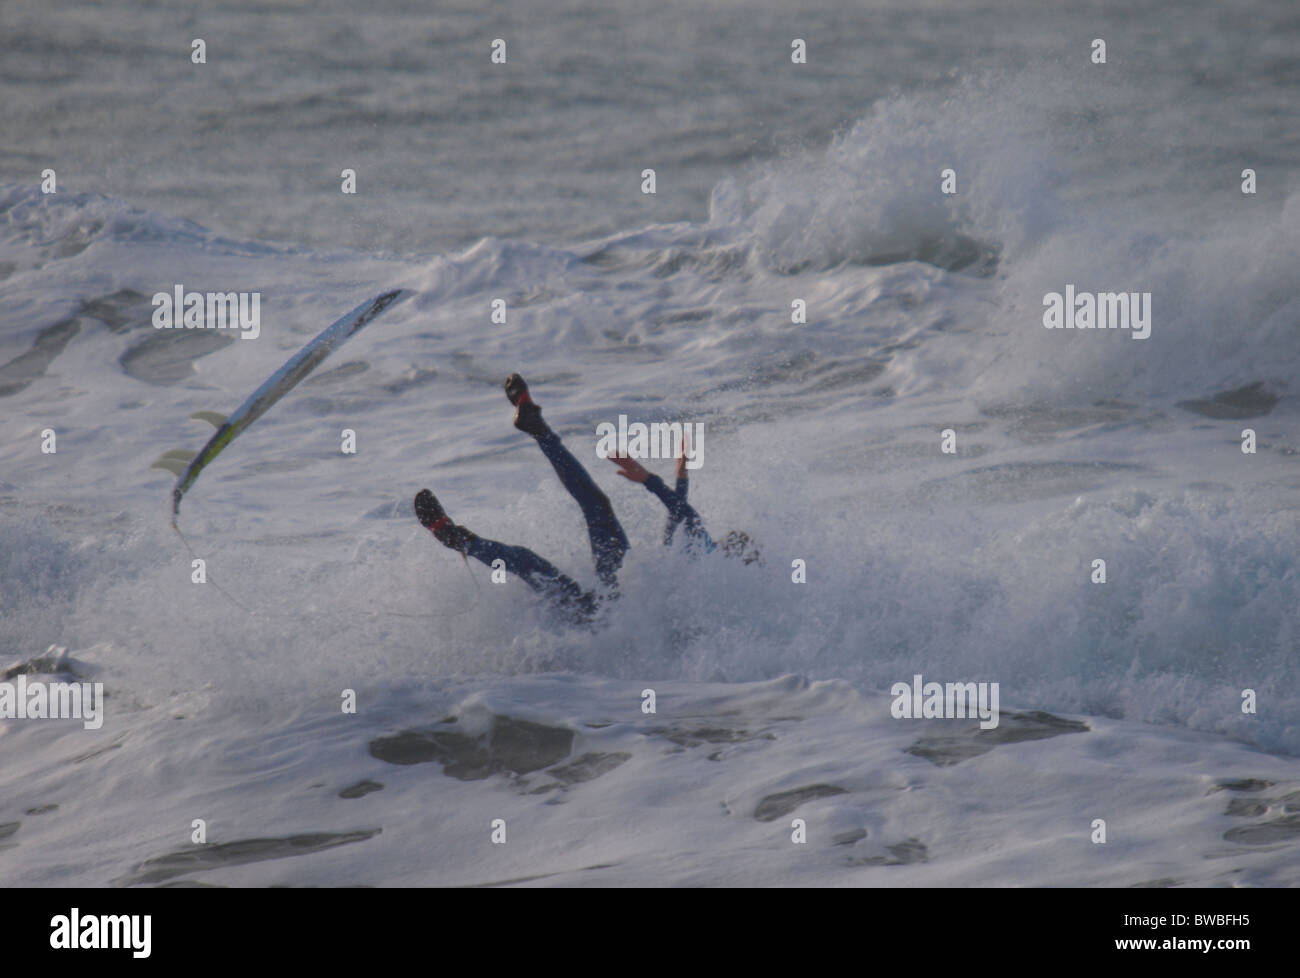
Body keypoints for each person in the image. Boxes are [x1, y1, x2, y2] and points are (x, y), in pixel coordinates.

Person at [414, 374, 753, 624]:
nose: (723, 546)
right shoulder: (711, 573)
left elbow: (685, 517)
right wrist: (680, 475)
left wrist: (655, 480)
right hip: (611, 601)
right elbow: (683, 518)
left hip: (605, 617)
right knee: (556, 542)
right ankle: (535, 427)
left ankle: (457, 536)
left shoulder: (709, 569)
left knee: (548, 548)